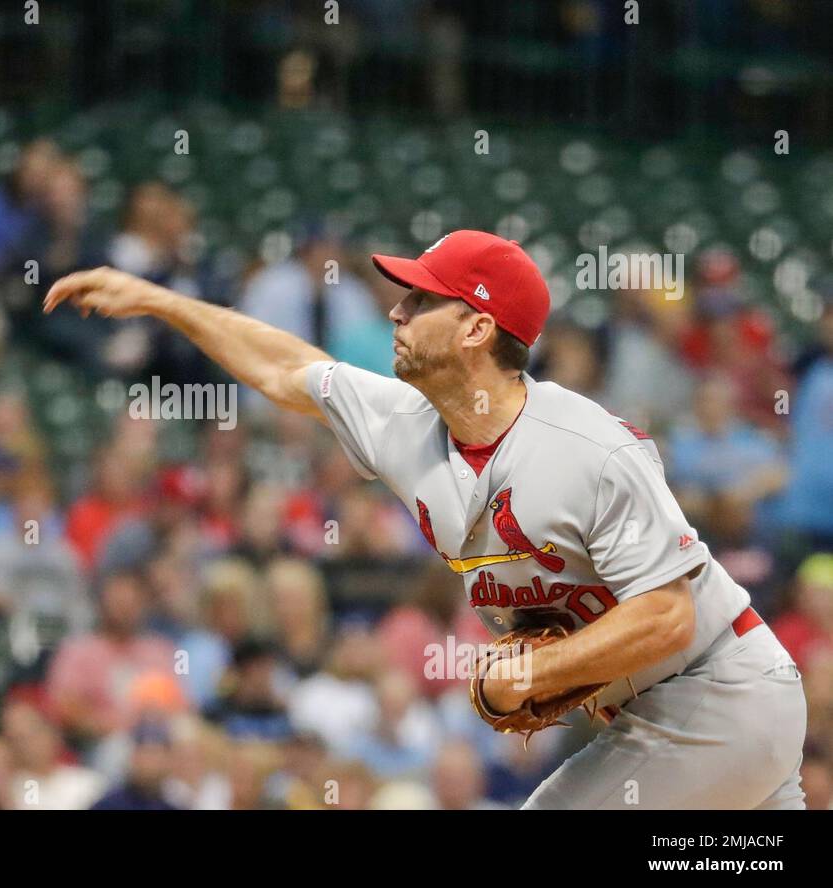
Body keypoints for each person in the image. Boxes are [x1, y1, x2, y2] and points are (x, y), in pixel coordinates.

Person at [42, 229, 807, 810]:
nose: (396, 310)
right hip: (664, 708)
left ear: (477, 328)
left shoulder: (587, 449)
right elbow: (285, 367)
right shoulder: (407, 423)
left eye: (420, 299)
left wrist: (534, 671)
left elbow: (669, 616)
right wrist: (164, 302)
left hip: (719, 685)